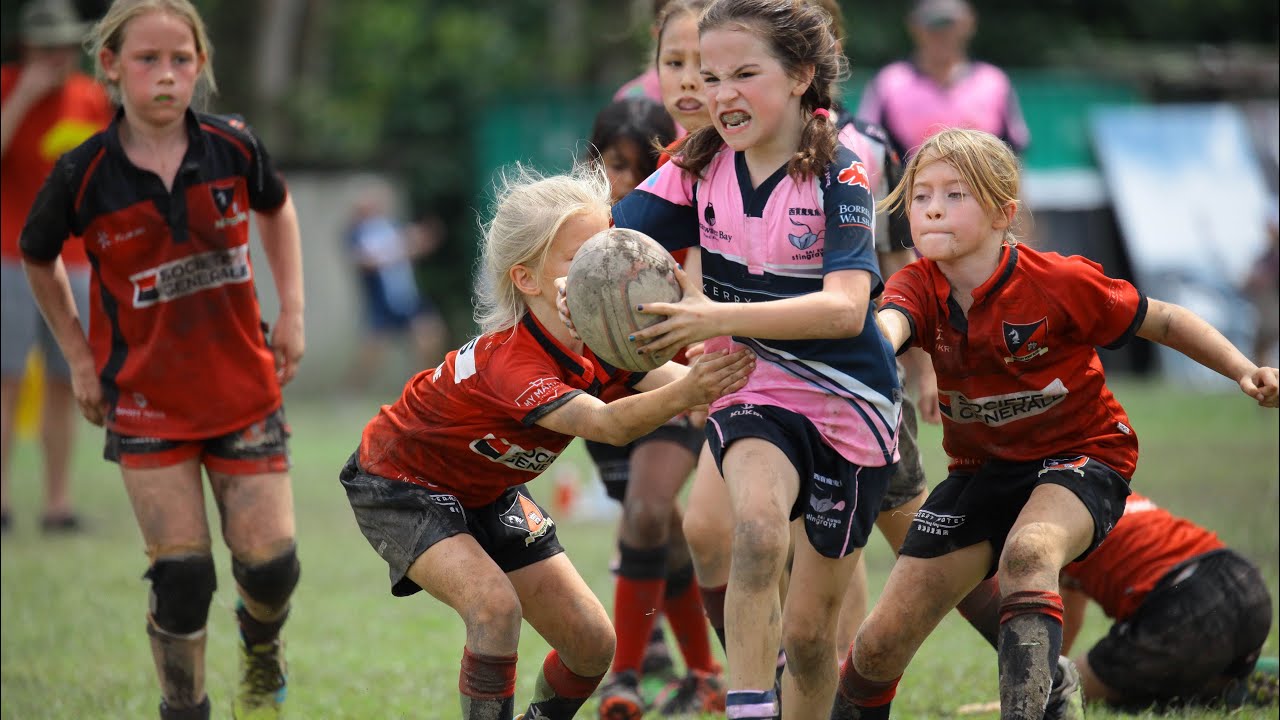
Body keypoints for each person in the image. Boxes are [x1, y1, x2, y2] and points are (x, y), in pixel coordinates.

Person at [830, 127, 1279, 720]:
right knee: (879, 643)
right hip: (982, 472)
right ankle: (1056, 686)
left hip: (1083, 455)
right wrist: (870, 350)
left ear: (1003, 214)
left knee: (1030, 552)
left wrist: (1245, 370)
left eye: (955, 194)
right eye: (920, 195)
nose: (932, 207)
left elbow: (1166, 320)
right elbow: (892, 325)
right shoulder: (915, 284)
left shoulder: (1059, 281)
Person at [338, 162, 754, 720]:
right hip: (400, 482)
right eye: (581, 260)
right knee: (493, 608)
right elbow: (610, 425)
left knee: (591, 644)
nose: (603, 271)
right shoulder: (513, 363)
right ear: (527, 280)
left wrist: (723, 365)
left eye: (608, 250)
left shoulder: (602, 338)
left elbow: (685, 387)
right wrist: (692, 390)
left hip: (488, 488)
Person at [600, 1, 905, 716]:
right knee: (758, 532)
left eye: (743, 74)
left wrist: (716, 317)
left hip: (851, 401)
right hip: (754, 383)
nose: (720, 94)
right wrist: (572, 275)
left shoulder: (841, 174)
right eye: (709, 78)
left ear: (800, 76)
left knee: (809, 638)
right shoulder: (697, 166)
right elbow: (608, 232)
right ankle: (746, 704)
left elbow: (846, 310)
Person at [19, 2, 307, 718]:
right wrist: (78, 357)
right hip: (145, 398)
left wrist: (294, 311)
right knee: (182, 577)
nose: (167, 74)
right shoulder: (83, 173)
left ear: (200, 66)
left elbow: (277, 207)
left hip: (243, 388)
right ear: (111, 67)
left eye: (181, 59)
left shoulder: (233, 145)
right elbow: (37, 255)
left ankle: (261, 648)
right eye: (147, 59)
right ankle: (185, 708)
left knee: (272, 566)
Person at [582, 93, 729, 719]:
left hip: (679, 386)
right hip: (606, 393)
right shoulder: (584, 226)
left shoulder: (687, 211)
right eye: (615, 166)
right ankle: (705, 676)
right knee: (659, 528)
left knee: (646, 514)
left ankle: (624, 677)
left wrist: (699, 364)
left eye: (643, 169)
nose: (628, 183)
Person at [1, 0, 113, 534]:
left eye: (66, 46)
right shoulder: (6, 87)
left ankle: (58, 504)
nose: (58, 57)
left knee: (68, 383)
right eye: (47, 48)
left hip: (76, 263)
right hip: (8, 259)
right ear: (26, 48)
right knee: (5, 383)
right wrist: (22, 97)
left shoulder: (89, 98)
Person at [856, 0, 1029, 158]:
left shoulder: (994, 83)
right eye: (932, 25)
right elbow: (868, 149)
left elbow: (1014, 152)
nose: (941, 34)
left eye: (948, 24)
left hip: (982, 183)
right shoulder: (888, 83)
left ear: (969, 24)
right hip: (907, 183)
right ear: (914, 26)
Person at [341, 176, 448, 390]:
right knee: (372, 354)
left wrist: (423, 240)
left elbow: (414, 246)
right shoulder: (356, 233)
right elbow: (364, 261)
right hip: (380, 299)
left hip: (406, 296)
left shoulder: (391, 227)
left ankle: (424, 388)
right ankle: (349, 392)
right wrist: (400, 247)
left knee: (430, 335)